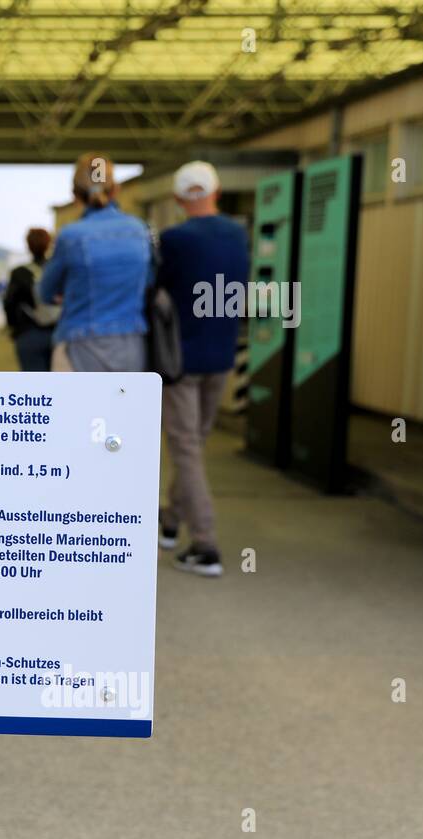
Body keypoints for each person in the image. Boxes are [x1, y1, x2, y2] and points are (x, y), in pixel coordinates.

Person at [156, 161, 250, 578]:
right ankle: (172, 519)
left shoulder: (173, 240)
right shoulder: (237, 234)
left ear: (178, 199)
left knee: (185, 448)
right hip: (221, 355)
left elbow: (155, 290)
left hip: (180, 360)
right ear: (218, 191)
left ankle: (206, 544)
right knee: (194, 444)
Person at [38, 153, 151, 372]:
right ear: (115, 189)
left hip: (79, 343)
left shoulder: (71, 236)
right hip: (131, 344)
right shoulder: (140, 230)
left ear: (75, 195)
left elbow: (45, 292)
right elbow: (148, 281)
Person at [3, 228, 60, 371]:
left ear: (28, 246)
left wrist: (14, 329)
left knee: (34, 385)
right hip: (58, 333)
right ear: (49, 244)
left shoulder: (19, 273)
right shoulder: (57, 269)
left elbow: (9, 302)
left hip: (29, 333)